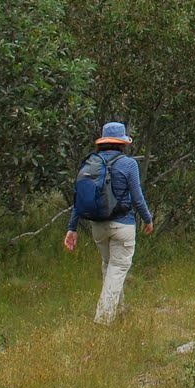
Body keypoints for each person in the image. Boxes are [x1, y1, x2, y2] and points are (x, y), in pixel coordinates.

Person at [64, 121, 154, 324]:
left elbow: (79, 198)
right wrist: (148, 219)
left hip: (98, 226)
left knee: (109, 266)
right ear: (122, 143)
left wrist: (72, 228)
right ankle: (104, 319)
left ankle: (120, 311)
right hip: (123, 225)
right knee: (118, 268)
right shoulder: (128, 163)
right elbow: (137, 198)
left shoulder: (91, 163)